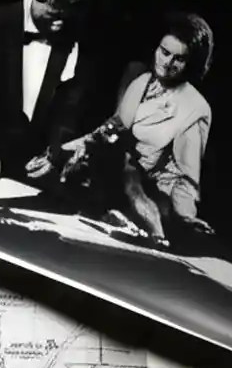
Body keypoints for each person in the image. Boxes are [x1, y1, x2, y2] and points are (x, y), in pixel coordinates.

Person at [58, 12, 214, 247]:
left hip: (152, 194)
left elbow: (187, 174)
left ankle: (155, 233)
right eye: (164, 52)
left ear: (191, 63)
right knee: (81, 158)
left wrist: (186, 216)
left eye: (179, 59)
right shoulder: (140, 80)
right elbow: (113, 127)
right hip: (114, 172)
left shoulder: (195, 107)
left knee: (126, 165)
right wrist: (62, 151)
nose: (167, 63)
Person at [0, 0, 98, 182]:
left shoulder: (76, 36)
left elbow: (70, 108)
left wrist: (55, 153)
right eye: (56, 6)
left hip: (33, 175)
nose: (64, 15)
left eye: (71, 6)